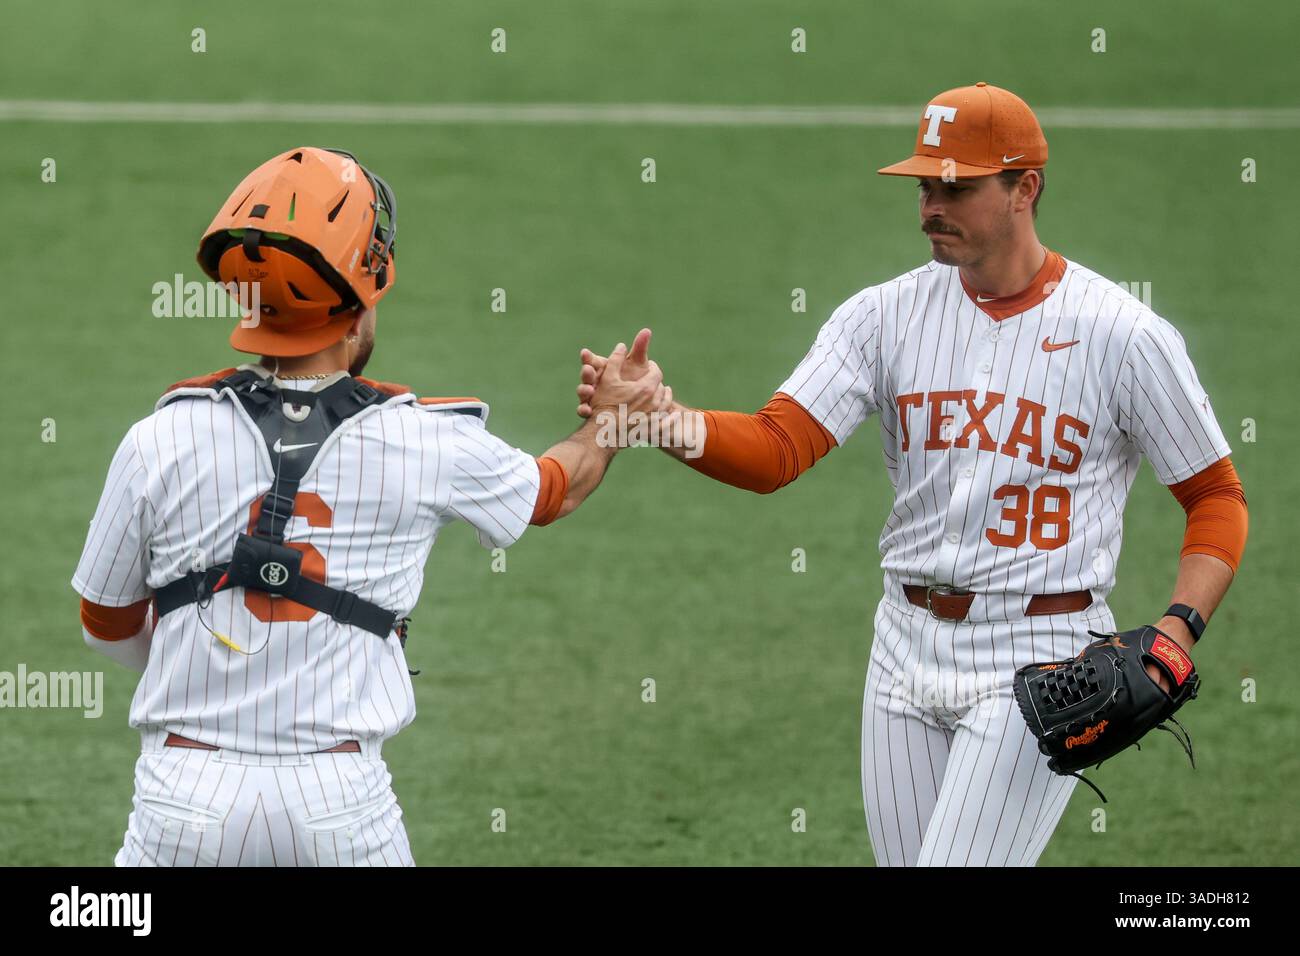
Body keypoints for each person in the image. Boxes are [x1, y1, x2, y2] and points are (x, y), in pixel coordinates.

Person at [576, 83, 1248, 866]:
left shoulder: (1124, 335)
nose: (931, 203)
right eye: (925, 183)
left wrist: (1178, 627)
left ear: (1024, 188)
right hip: (900, 649)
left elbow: (1215, 497)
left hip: (1038, 655)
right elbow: (774, 450)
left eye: (956, 187)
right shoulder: (882, 316)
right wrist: (660, 419)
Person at [72, 145, 667, 866]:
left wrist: (212, 672)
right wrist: (609, 418)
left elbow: (106, 623)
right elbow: (556, 489)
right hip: (338, 805)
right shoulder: (425, 441)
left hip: (184, 800)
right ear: (359, 303)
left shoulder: (158, 436)